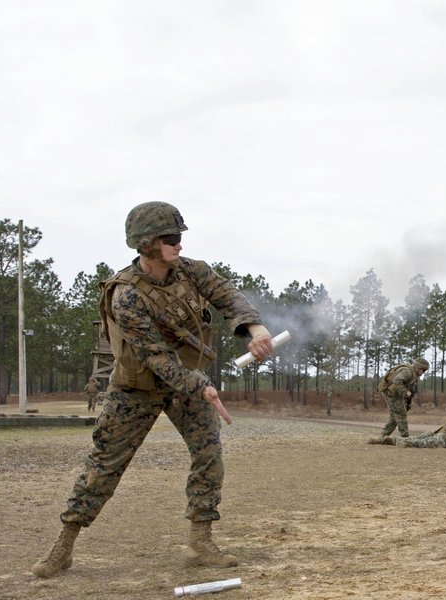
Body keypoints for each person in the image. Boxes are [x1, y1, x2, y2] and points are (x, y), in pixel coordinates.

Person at [31, 201, 274, 578]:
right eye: (171, 238)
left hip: (186, 388)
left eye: (179, 237)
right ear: (146, 245)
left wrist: (255, 331)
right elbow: (155, 357)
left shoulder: (191, 271)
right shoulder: (126, 295)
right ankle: (63, 546)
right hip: (136, 388)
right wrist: (201, 384)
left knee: (209, 455)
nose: (179, 245)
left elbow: (227, 295)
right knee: (103, 466)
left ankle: (200, 541)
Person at [371, 357, 430, 442]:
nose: (423, 372)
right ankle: (405, 438)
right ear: (418, 367)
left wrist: (408, 398)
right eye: (423, 370)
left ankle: (382, 436)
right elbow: (397, 380)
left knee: (395, 415)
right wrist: (406, 392)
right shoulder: (407, 372)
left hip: (396, 393)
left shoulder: (413, 374)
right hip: (390, 393)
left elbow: (408, 387)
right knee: (401, 414)